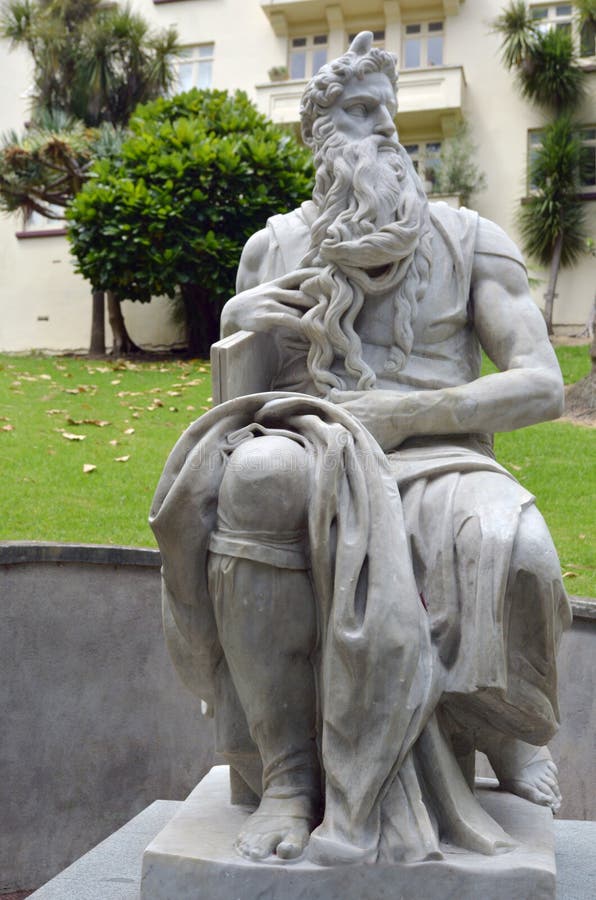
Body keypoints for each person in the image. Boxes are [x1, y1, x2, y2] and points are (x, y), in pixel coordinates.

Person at [150, 32, 571, 867]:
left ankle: (501, 724)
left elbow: (543, 383)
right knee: (258, 477)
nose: (383, 127)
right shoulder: (272, 247)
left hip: (442, 454)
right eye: (359, 110)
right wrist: (237, 324)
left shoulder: (468, 237)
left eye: (389, 111)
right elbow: (237, 411)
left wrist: (412, 414)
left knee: (517, 548)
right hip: (311, 440)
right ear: (318, 132)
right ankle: (287, 779)